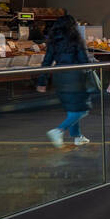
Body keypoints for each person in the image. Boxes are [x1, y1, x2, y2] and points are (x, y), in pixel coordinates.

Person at [36, 14, 93, 148]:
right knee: (82, 109)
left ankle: (77, 137)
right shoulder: (76, 40)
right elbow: (84, 61)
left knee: (72, 108)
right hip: (75, 76)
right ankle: (59, 130)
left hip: (59, 76)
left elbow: (47, 62)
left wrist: (42, 81)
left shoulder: (53, 41)